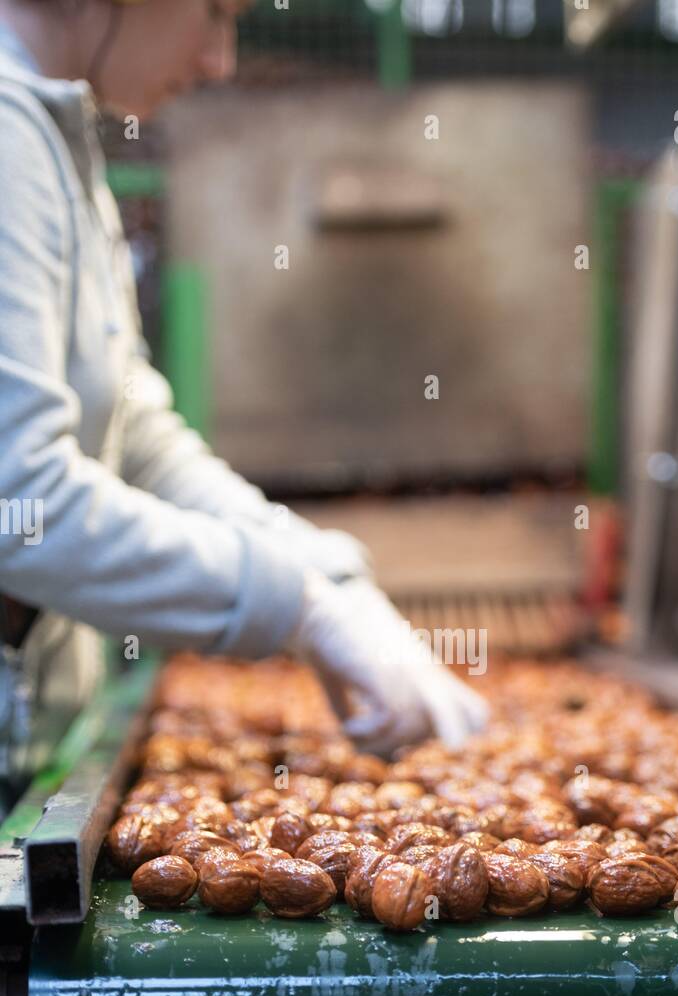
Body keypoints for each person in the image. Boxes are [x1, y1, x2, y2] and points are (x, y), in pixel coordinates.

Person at [0, 0, 487, 788]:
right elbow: (16, 498)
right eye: (218, 12)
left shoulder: (54, 121)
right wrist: (293, 607)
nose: (220, 61)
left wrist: (325, 575)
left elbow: (136, 437)